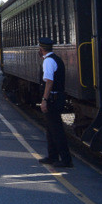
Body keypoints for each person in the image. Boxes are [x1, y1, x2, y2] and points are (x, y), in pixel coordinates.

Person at [37, 37, 73, 168]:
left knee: (56, 130)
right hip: (56, 97)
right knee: (51, 129)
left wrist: (44, 100)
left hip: (53, 98)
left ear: (41, 49)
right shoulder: (55, 59)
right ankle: (52, 156)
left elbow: (49, 82)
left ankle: (66, 159)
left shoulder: (48, 61)